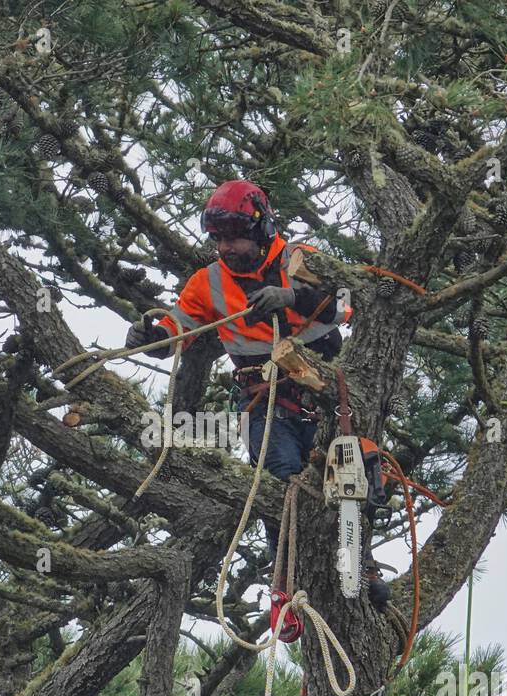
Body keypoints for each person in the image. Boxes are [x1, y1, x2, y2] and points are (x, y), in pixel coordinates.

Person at [126, 180, 389, 608]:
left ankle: (360, 563)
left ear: (262, 228)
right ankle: (286, 580)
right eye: (218, 239)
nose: (225, 247)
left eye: (234, 237)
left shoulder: (299, 259)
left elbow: (346, 302)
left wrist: (295, 296)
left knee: (349, 473)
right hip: (266, 404)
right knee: (280, 480)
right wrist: (152, 336)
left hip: (327, 399)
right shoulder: (208, 282)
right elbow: (178, 328)